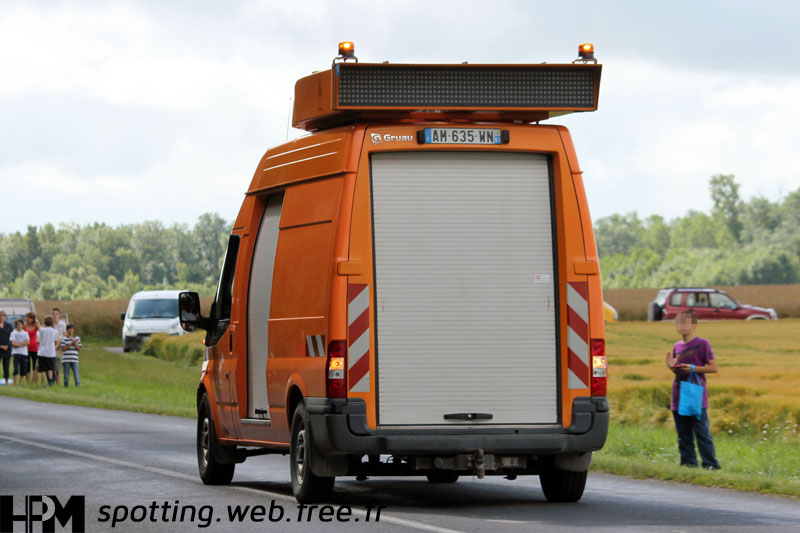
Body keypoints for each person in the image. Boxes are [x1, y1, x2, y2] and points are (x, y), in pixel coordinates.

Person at [665, 311, 721, 470]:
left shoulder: (703, 344)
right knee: (683, 435)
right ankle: (688, 465)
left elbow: (714, 368)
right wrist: (671, 366)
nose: (681, 326)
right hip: (678, 394)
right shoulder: (677, 346)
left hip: (696, 394)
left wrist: (692, 368)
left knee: (702, 433)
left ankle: (710, 465)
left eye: (685, 323)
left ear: (694, 325)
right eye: (678, 323)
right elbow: (678, 371)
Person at [37, 316, 60, 387]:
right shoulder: (55, 331)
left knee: (43, 370)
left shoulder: (42, 330)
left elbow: (39, 339)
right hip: (51, 352)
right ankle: (50, 381)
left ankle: (43, 384)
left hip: (42, 352)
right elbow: (56, 340)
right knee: (50, 368)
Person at [60, 323, 81, 387]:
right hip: (66, 360)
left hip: (75, 359)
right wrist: (71, 344)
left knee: (76, 375)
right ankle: (66, 386)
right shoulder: (64, 339)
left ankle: (78, 386)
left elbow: (79, 349)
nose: (70, 330)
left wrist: (75, 344)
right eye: (69, 329)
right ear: (67, 330)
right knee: (66, 376)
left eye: (72, 329)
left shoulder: (77, 338)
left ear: (73, 330)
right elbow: (63, 348)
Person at [10, 319, 29, 388]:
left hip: (24, 353)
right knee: (16, 369)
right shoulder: (13, 333)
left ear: (22, 325)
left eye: (20, 324)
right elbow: (13, 343)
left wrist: (18, 344)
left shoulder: (25, 333)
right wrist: (22, 344)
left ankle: (20, 384)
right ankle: (14, 385)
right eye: (17, 324)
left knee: (23, 369)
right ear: (16, 325)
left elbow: (27, 342)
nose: (19, 326)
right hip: (16, 353)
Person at [52, 308, 67, 386]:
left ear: (59, 315)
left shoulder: (63, 324)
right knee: (51, 364)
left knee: (58, 364)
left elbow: (65, 334)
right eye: (53, 314)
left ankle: (57, 383)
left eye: (56, 314)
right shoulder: (51, 324)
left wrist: (62, 341)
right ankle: (52, 381)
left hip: (59, 346)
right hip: (51, 344)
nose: (55, 315)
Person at [24, 312, 39, 386]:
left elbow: (41, 329)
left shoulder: (36, 326)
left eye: (28, 317)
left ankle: (35, 382)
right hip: (26, 348)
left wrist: (37, 322)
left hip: (35, 348)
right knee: (27, 366)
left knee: (35, 366)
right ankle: (28, 382)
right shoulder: (24, 326)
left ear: (32, 319)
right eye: (26, 317)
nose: (26, 319)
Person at [0, 310, 12, 385]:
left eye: (3, 316)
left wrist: (7, 345)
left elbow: (12, 337)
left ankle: (7, 381)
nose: (1, 317)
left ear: (5, 317)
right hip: (0, 348)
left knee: (6, 366)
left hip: (7, 349)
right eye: (0, 315)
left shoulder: (8, 326)